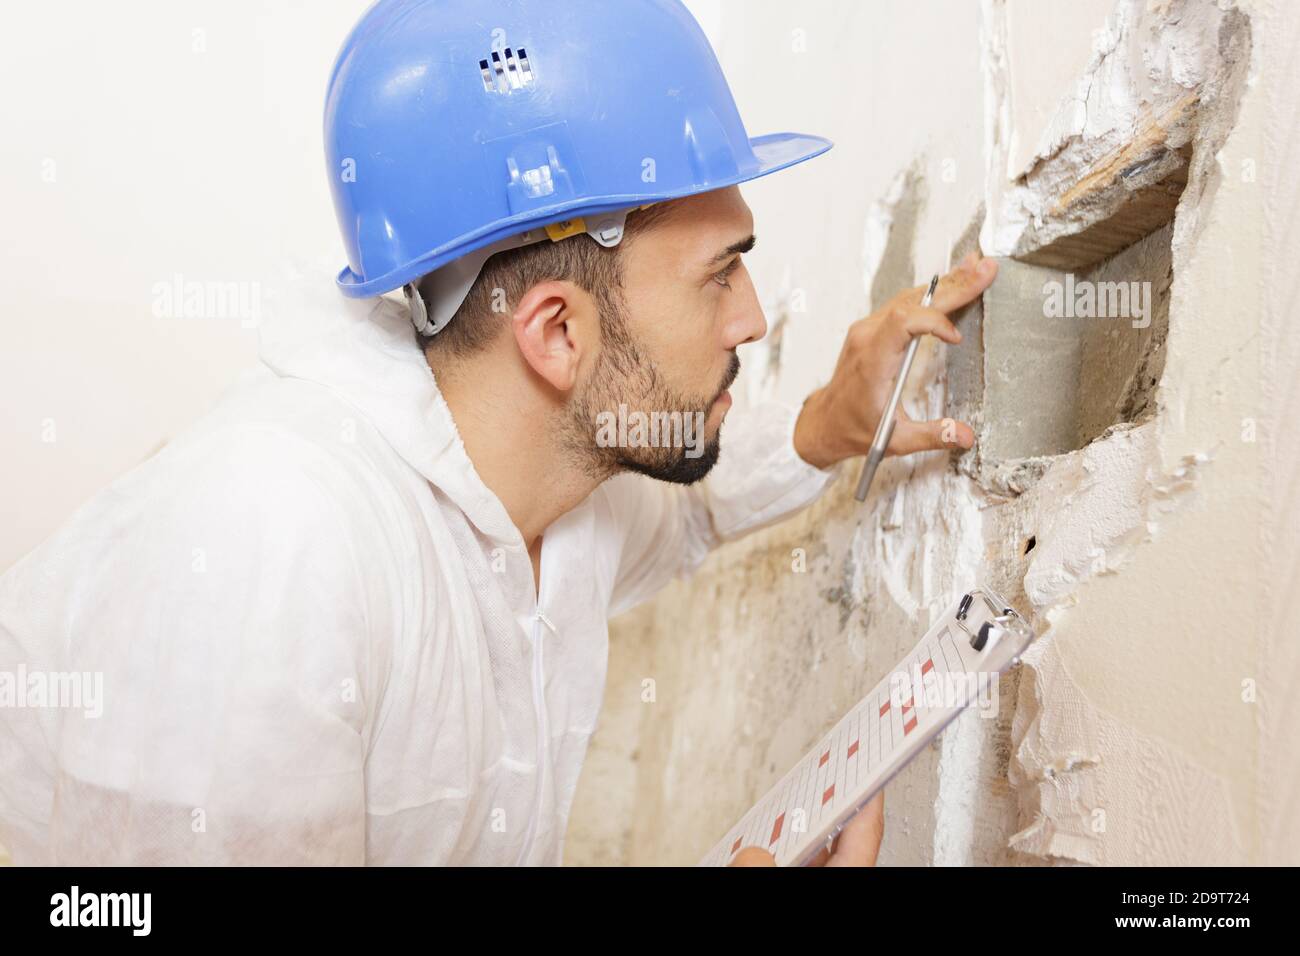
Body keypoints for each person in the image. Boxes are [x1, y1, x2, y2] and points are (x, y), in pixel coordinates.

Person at [0, 0, 996, 866]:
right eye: (718, 272)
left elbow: (688, 510)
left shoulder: (553, 496)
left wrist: (831, 423)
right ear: (556, 332)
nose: (751, 319)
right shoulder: (280, 545)